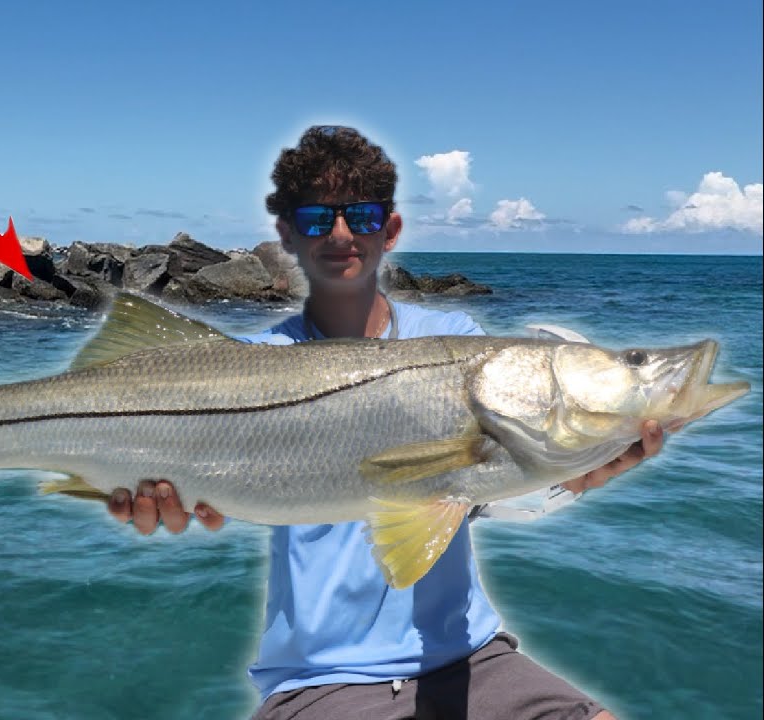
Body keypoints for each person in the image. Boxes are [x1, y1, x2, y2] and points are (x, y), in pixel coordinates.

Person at [105, 126, 665, 720]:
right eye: (316, 218)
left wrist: (572, 474)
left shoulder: (457, 340)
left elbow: (480, 486)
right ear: (286, 234)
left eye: (362, 216)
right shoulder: (243, 362)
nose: (340, 234)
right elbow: (176, 487)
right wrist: (146, 499)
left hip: (471, 656)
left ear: (390, 229)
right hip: (320, 679)